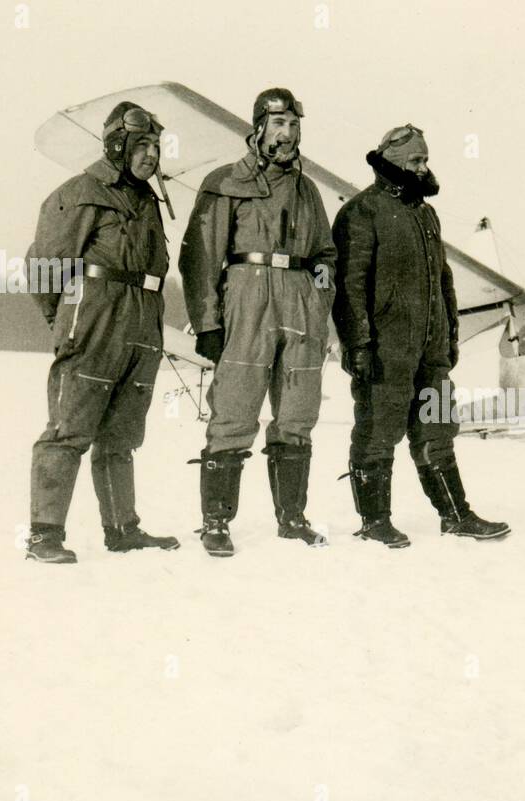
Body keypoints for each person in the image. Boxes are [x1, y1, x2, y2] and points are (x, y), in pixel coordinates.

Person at [332, 124, 510, 547]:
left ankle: (456, 515)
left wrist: (449, 337)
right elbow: (349, 286)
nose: (423, 166)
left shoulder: (426, 215)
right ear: (392, 161)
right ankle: (374, 522)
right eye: (415, 160)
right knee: (378, 430)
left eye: (425, 159)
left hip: (430, 353)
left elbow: (443, 282)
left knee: (438, 429)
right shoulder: (362, 212)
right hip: (385, 351)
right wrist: (357, 344)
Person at [180, 88, 336, 557]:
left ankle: (292, 518)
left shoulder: (308, 190)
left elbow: (326, 252)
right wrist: (208, 323)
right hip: (246, 302)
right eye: (278, 124)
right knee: (233, 411)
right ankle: (215, 522)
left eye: (293, 125)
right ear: (259, 128)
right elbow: (199, 256)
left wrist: (318, 298)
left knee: (297, 414)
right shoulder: (225, 182)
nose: (286, 134)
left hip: (299, 305)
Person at [25, 102, 179, 564]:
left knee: (122, 434)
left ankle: (122, 529)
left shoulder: (147, 200)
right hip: (95, 320)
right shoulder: (79, 192)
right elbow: (45, 267)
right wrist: (71, 320)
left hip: (142, 321)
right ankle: (44, 535)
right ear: (117, 145)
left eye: (155, 146)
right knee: (70, 427)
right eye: (142, 145)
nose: (151, 156)